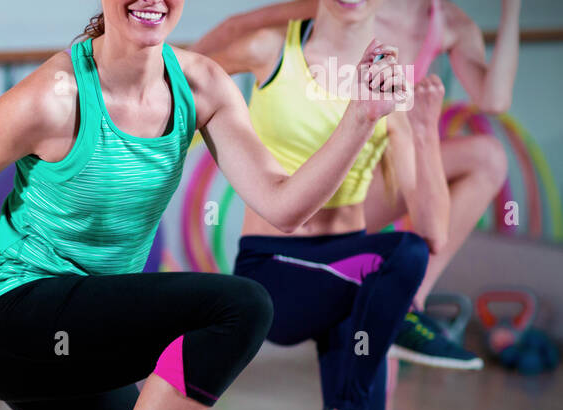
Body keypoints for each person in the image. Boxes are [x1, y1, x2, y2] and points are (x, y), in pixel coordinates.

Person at [0, 0, 407, 410]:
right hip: (8, 318)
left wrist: (359, 118)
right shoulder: (54, 97)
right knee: (241, 306)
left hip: (83, 334)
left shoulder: (201, 84)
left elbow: (282, 205)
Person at [192, 0, 522, 370]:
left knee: (488, 159)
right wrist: (175, 67)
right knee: (371, 299)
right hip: (327, 166)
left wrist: (513, 8)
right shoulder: (344, 6)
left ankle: (410, 306)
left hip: (383, 159)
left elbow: (494, 100)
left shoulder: (449, 24)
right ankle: (399, 311)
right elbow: (240, 25)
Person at [195, 0, 451, 410]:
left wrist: (424, 132)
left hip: (350, 279)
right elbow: (187, 73)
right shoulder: (270, 50)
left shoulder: (389, 83)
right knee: (398, 255)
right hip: (275, 273)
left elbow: (434, 234)